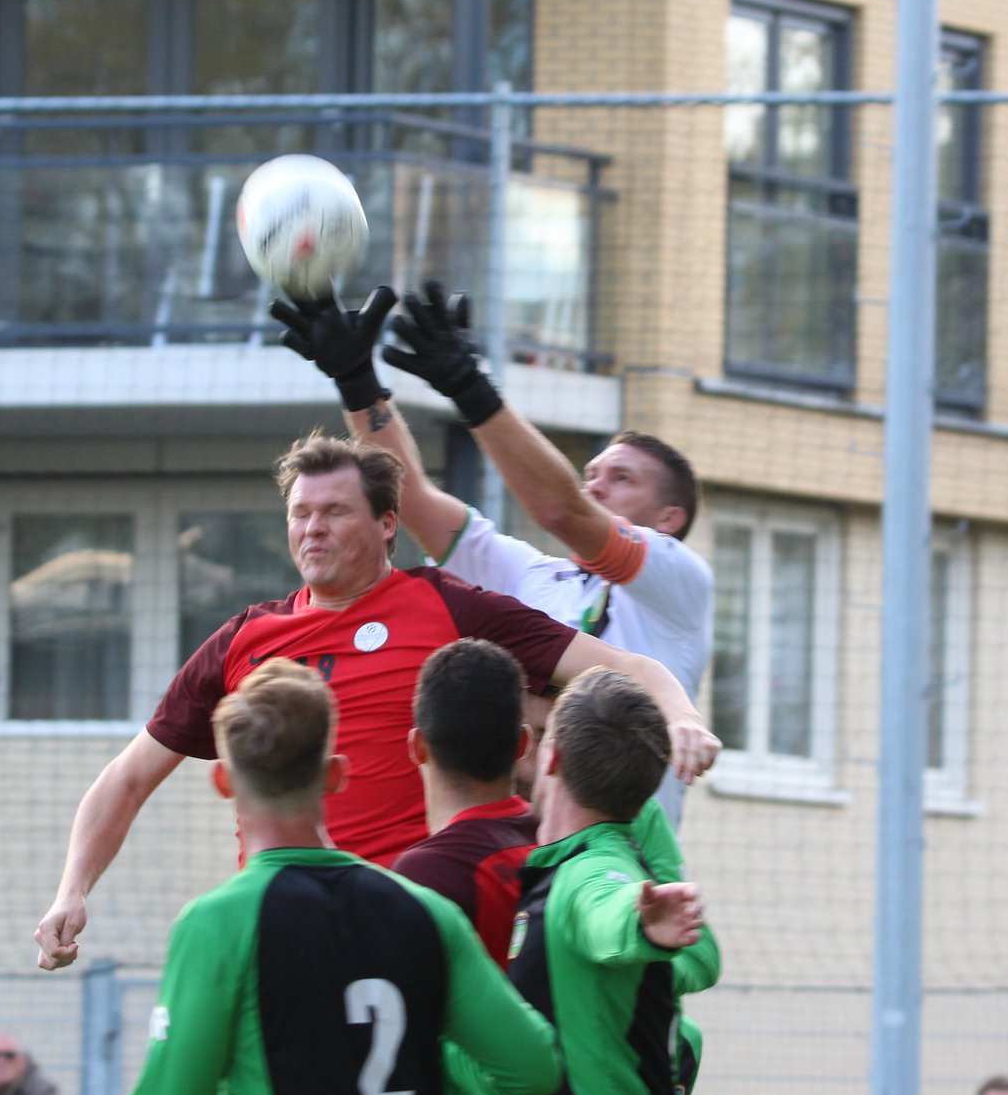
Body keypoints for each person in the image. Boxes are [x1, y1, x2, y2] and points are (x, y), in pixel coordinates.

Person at [35, 432, 721, 970]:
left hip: (417, 924)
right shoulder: (245, 639)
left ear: (388, 524)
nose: (313, 529)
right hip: (287, 926)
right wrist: (72, 890)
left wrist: (683, 715)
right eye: (300, 514)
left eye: (334, 512)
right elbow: (127, 779)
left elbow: (627, 666)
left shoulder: (449, 606)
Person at [99, 659, 561, 1095]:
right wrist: (421, 1067)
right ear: (336, 775)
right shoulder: (425, 910)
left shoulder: (217, 923)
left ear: (222, 780)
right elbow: (532, 1066)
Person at [273, 284, 713, 826]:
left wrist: (469, 386)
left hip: (623, 857)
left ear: (670, 519)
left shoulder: (680, 583)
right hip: (521, 854)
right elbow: (413, 501)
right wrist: (356, 381)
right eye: (591, 474)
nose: (595, 486)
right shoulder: (535, 576)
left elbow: (562, 510)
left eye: (622, 478)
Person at [507, 666, 721, 1095]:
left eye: (542, 734)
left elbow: (606, 906)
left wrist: (638, 929)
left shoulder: (588, 872)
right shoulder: (566, 863)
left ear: (551, 756)